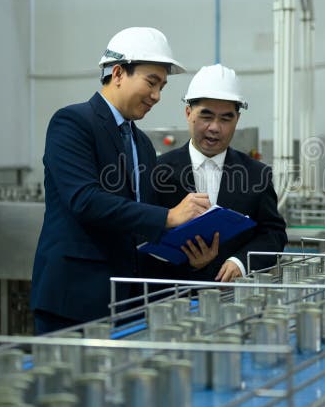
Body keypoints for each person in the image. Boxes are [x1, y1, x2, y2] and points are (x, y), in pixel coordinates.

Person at [30, 27, 215, 334]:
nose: (156, 96)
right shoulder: (73, 123)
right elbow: (85, 200)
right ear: (117, 73)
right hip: (74, 302)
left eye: (162, 86)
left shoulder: (140, 143)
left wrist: (189, 254)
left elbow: (137, 228)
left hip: (128, 302)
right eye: (151, 82)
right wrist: (168, 216)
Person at [143, 64, 287, 283]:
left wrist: (240, 262)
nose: (215, 127)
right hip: (171, 298)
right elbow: (143, 234)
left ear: (237, 120)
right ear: (188, 113)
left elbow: (273, 233)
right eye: (206, 116)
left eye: (225, 119)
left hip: (234, 299)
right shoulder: (157, 170)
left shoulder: (256, 174)